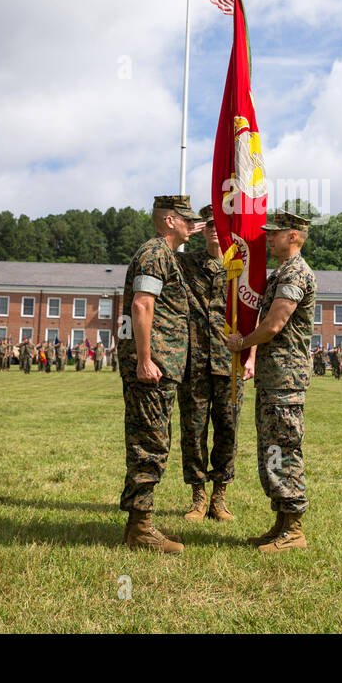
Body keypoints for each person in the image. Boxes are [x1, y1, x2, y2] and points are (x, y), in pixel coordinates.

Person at [226, 210, 317, 553]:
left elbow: (274, 325)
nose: (268, 237)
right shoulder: (281, 272)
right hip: (273, 377)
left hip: (285, 379)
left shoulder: (296, 273)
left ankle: (294, 530)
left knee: (284, 449)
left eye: (275, 233)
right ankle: (281, 524)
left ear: (293, 236)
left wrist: (242, 343)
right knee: (271, 450)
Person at [117, 194, 202, 554]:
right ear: (169, 220)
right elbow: (142, 304)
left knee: (154, 440)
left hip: (161, 368)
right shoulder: (155, 254)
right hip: (152, 368)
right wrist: (145, 359)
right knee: (149, 443)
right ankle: (141, 528)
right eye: (186, 219)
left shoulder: (166, 255)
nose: (192, 225)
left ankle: (140, 524)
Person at [177, 204, 255, 522]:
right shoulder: (184, 264)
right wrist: (183, 228)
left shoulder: (240, 267)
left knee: (227, 429)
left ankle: (219, 497)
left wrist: (252, 355)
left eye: (217, 223)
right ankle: (198, 496)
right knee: (193, 431)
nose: (212, 228)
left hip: (229, 364)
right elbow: (157, 253)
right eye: (206, 223)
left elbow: (254, 311)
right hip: (193, 362)